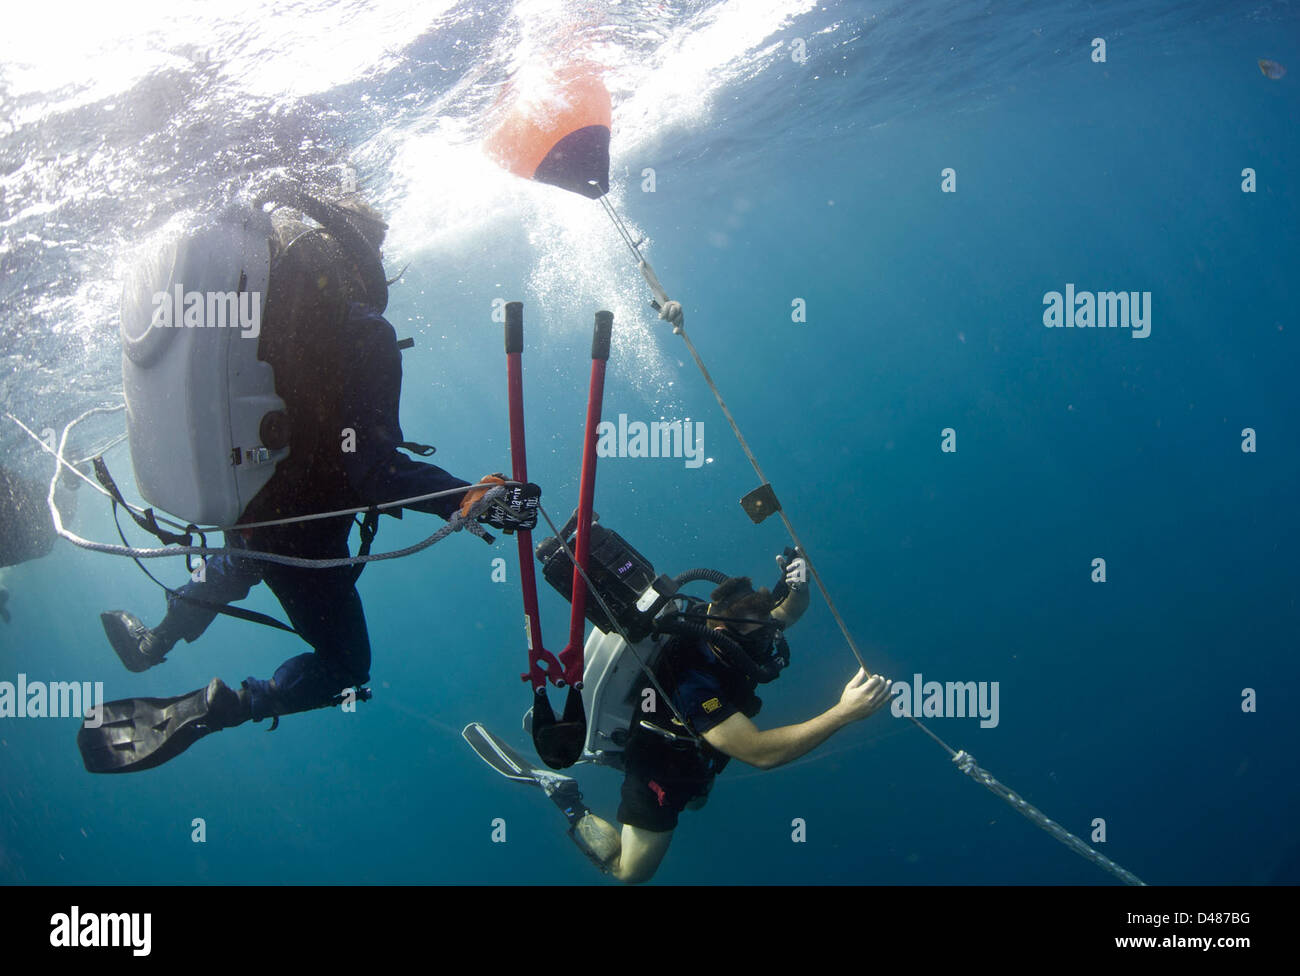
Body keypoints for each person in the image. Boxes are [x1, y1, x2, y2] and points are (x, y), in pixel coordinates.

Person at [81, 184, 537, 773]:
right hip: (303, 538)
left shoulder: (263, 314)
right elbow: (373, 471)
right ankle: (231, 703)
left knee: (237, 563)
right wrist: (466, 497)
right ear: (362, 254)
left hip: (249, 511)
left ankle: (154, 643)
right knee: (347, 669)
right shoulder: (365, 333)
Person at [466, 552, 892, 882]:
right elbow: (761, 753)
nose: (768, 642)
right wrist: (843, 713)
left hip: (695, 753)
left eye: (767, 631)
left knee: (700, 796)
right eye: (759, 636)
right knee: (631, 873)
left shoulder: (737, 631)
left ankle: (675, 780)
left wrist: (798, 584)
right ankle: (566, 799)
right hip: (659, 770)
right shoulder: (696, 681)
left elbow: (786, 613)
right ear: (719, 632)